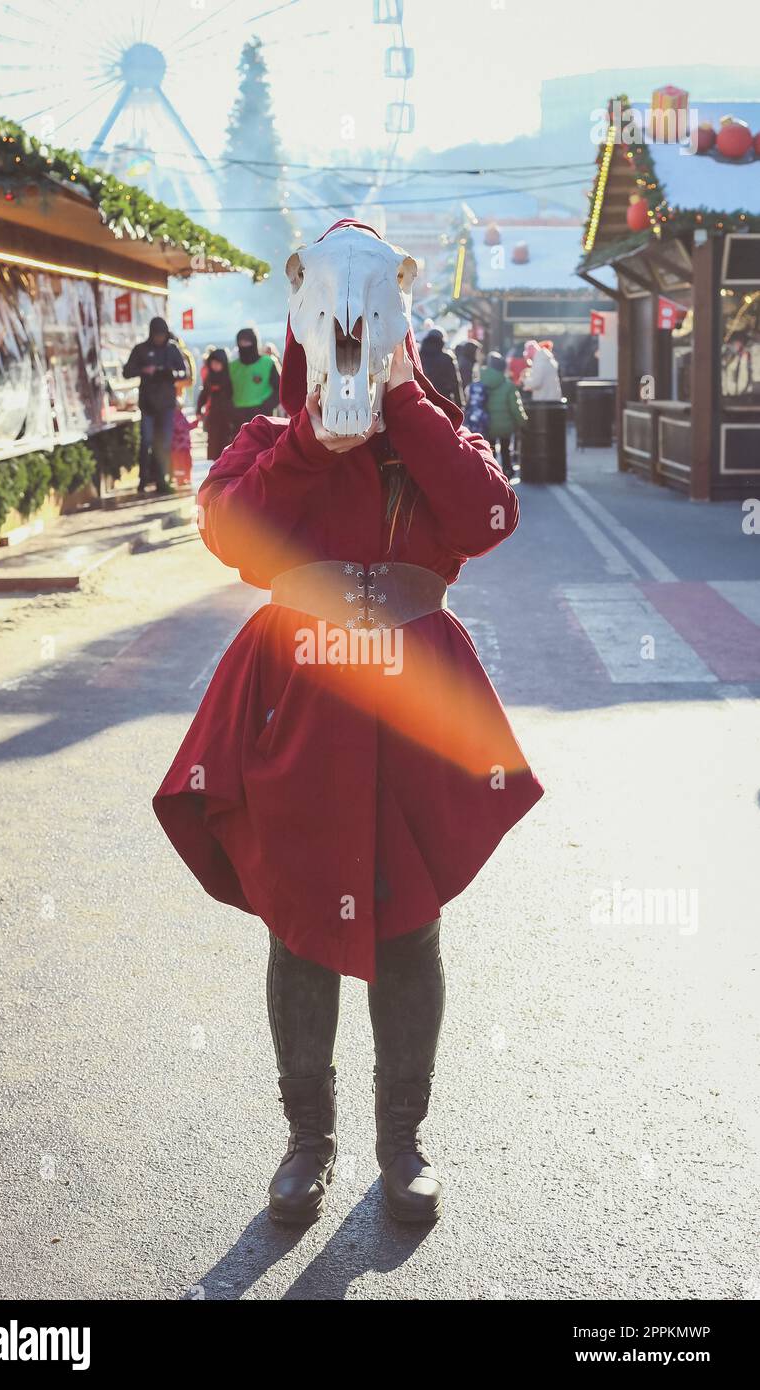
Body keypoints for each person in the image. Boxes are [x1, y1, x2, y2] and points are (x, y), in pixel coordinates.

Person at [153, 219, 543, 1228]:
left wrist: (405, 401)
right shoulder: (267, 438)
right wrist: (303, 443)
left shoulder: (434, 431)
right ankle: (305, 1142)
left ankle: (401, 1142)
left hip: (412, 700)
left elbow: (488, 519)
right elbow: (231, 534)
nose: (350, 344)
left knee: (407, 922)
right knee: (299, 925)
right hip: (298, 698)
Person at [123, 317, 188, 494]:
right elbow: (126, 371)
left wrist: (169, 372)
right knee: (146, 442)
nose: (159, 338)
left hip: (166, 405)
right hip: (148, 404)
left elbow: (184, 372)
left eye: (162, 335)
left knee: (164, 443)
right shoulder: (141, 350)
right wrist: (144, 370)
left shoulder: (172, 350)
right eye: (157, 335)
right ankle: (143, 479)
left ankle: (162, 480)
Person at [480, 350, 528, 480]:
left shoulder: (481, 381)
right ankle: (507, 470)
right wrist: (523, 422)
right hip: (505, 426)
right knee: (506, 449)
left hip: (487, 424)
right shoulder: (508, 385)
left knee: (491, 449)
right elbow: (516, 407)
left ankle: (491, 472)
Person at [229, 327, 280, 431]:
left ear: (255, 342)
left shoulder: (268, 363)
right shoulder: (232, 367)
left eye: (247, 341)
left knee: (264, 445)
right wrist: (231, 410)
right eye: (241, 342)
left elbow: (279, 388)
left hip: (262, 414)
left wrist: (267, 406)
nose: (244, 345)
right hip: (238, 415)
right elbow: (226, 391)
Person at [197, 347, 233, 461]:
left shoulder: (230, 377)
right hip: (213, 415)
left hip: (228, 416)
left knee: (226, 443)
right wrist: (199, 409)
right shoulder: (210, 377)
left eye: (218, 363)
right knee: (213, 443)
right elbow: (204, 394)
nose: (215, 366)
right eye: (213, 363)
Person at [419, 327, 465, 408]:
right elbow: (455, 383)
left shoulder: (419, 357)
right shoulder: (447, 358)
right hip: (443, 401)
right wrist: (459, 405)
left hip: (423, 400)